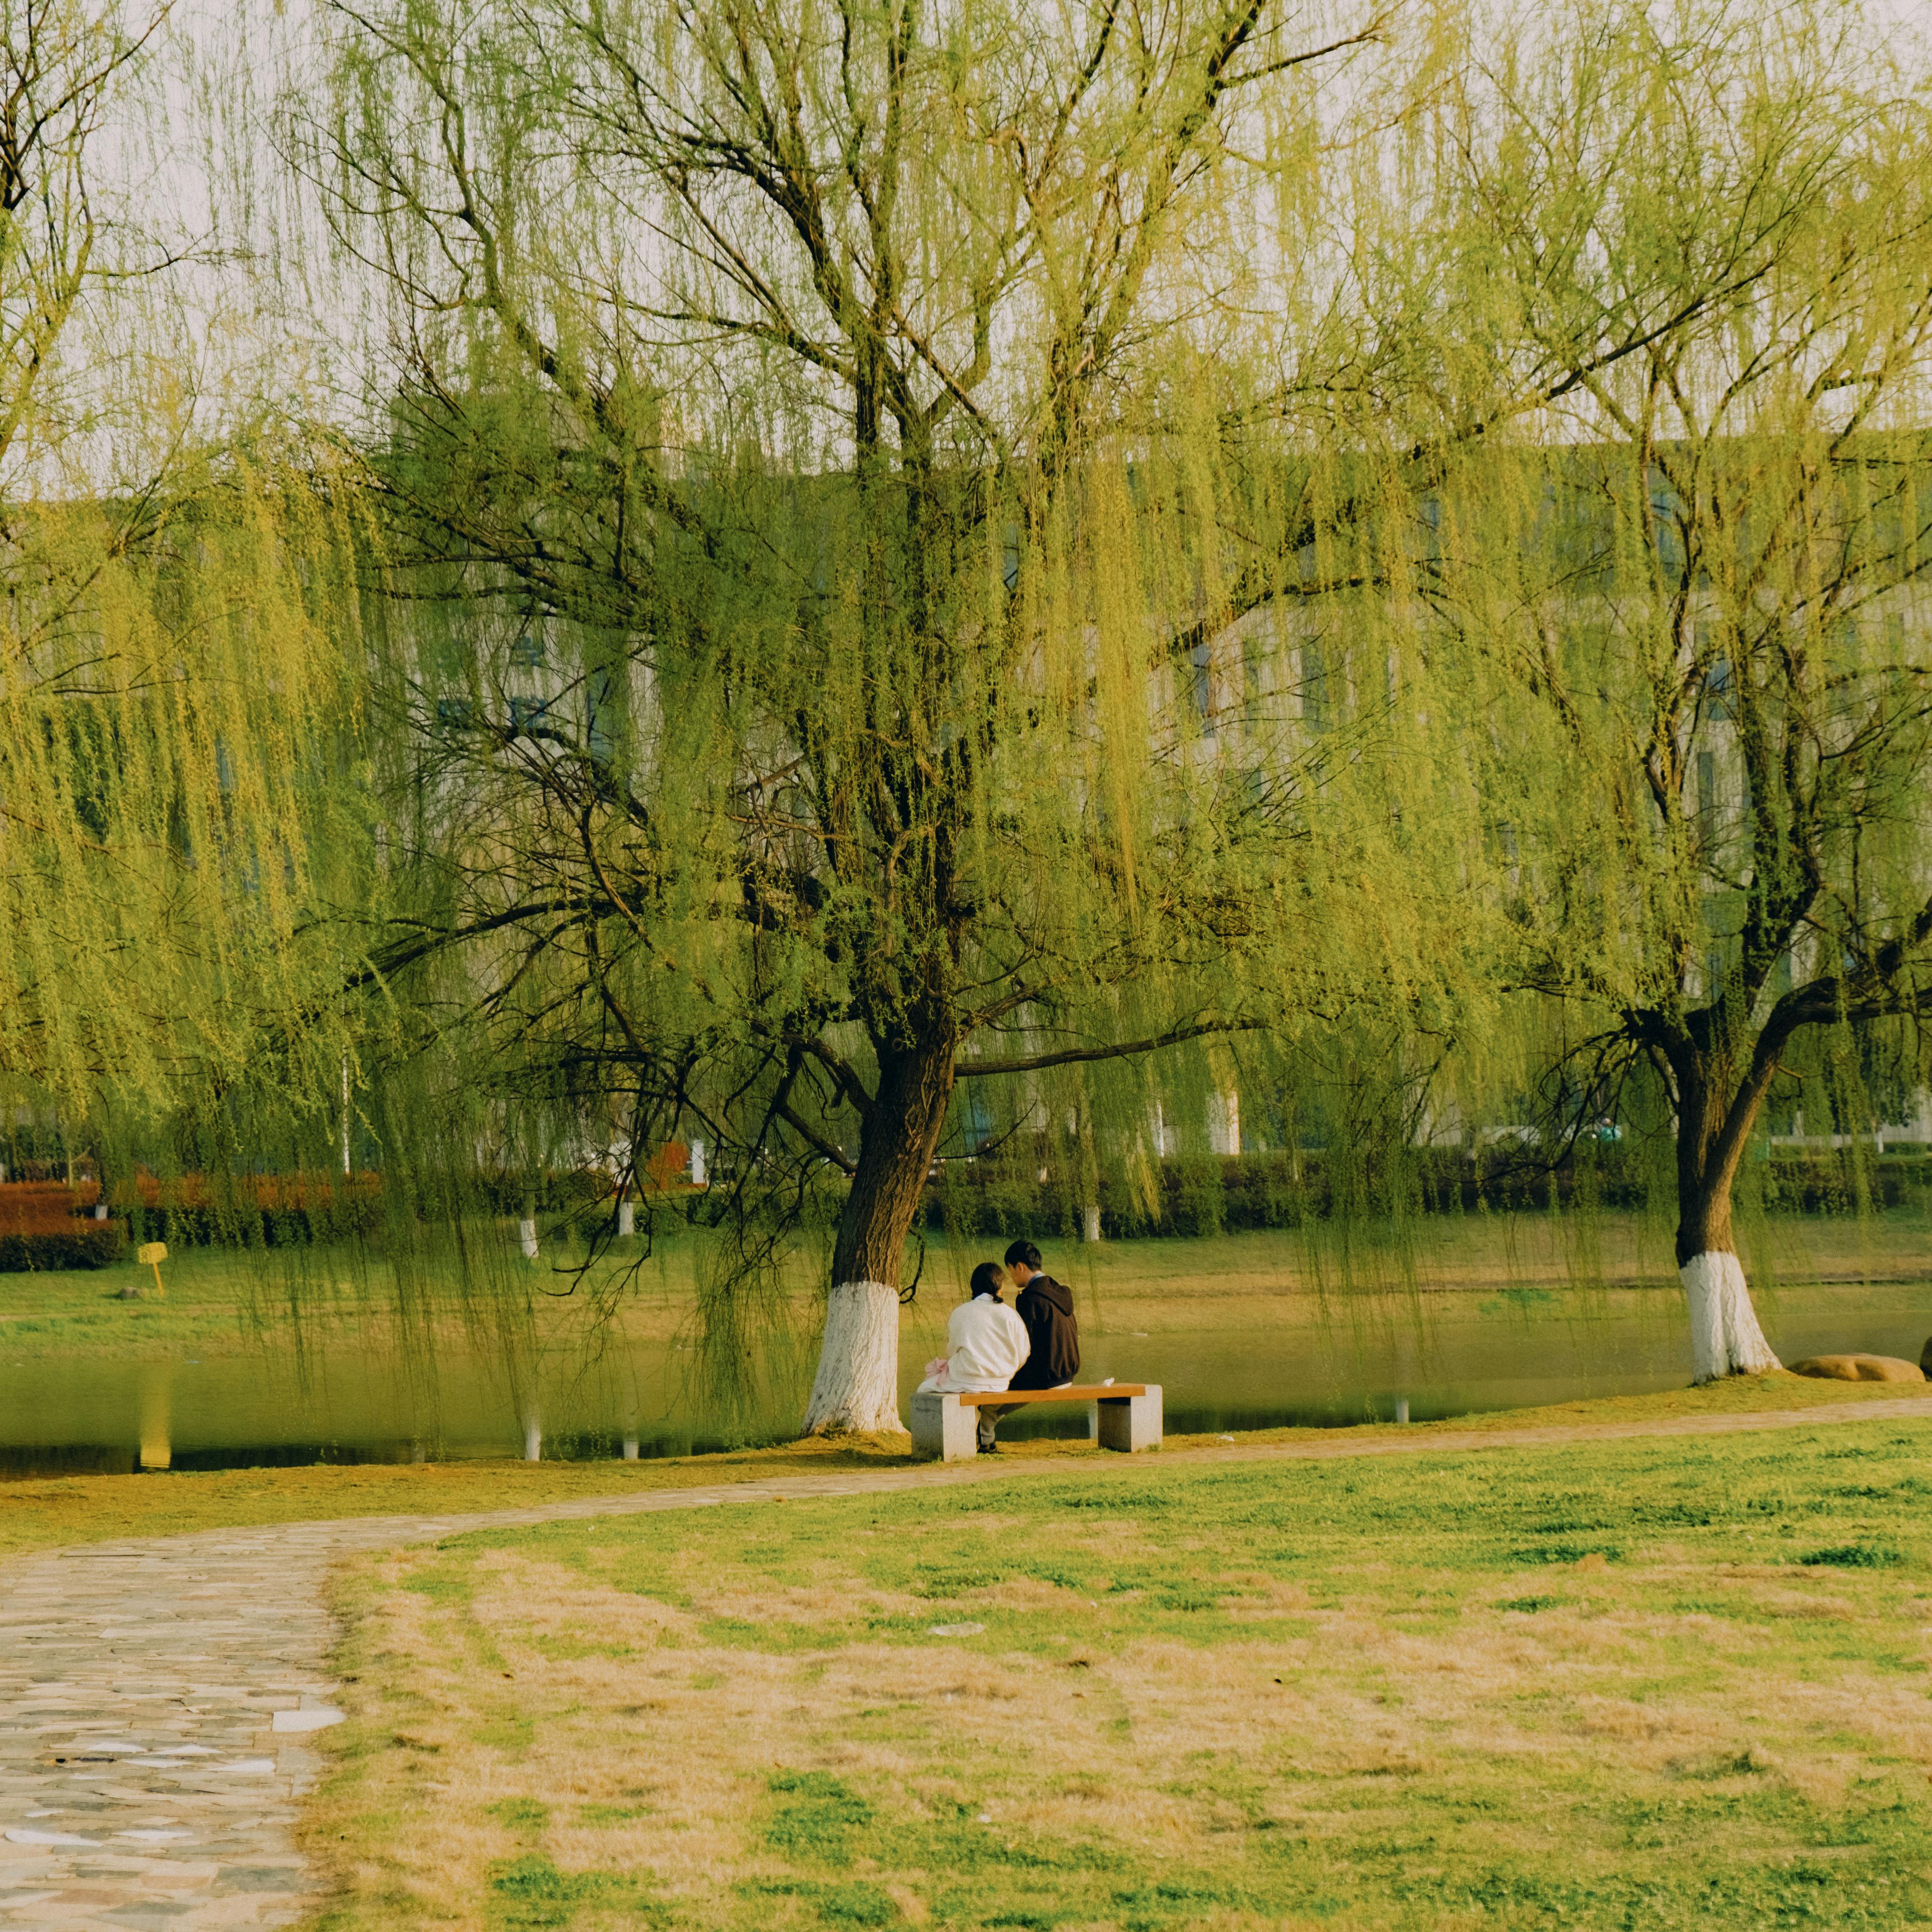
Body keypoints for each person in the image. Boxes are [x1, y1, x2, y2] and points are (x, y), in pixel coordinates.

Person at [973, 1239, 1082, 1453]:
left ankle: (984, 1442)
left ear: (1020, 1267)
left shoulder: (1030, 1299)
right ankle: (985, 1438)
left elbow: (1022, 1347)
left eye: (1011, 1270)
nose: (1011, 1277)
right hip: (1068, 1373)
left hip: (1046, 1375)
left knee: (991, 1393)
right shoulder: (1060, 1292)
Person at [921, 1260, 1031, 1454]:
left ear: (974, 1286)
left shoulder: (961, 1312)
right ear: (1000, 1286)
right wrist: (1007, 1370)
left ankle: (952, 1438)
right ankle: (980, 1434)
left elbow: (952, 1349)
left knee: (926, 1388)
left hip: (966, 1378)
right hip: (1000, 1382)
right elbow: (1024, 1352)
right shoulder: (1010, 1315)